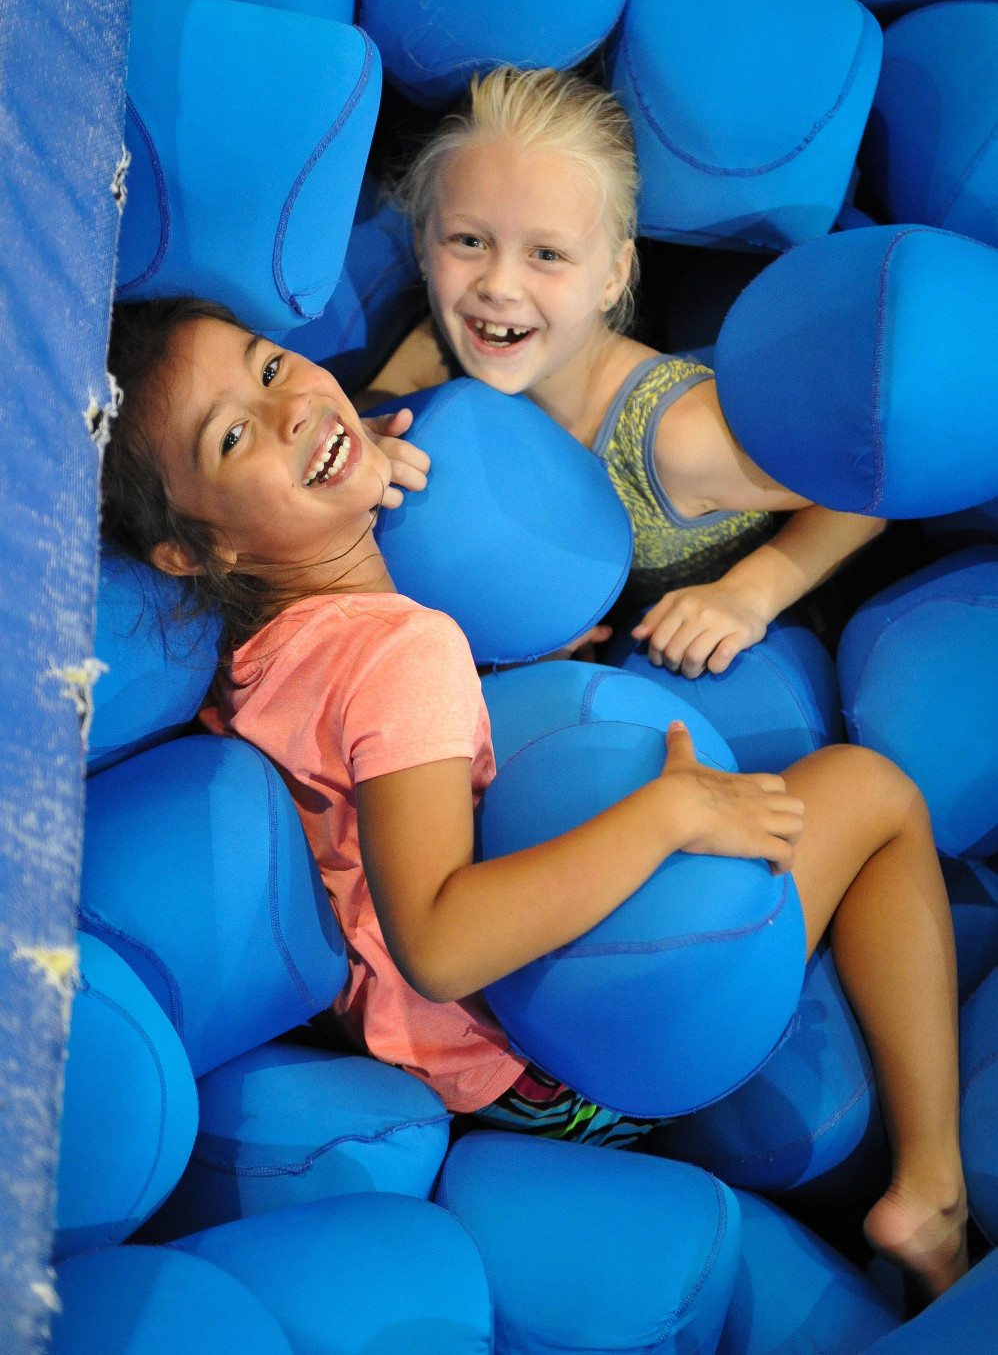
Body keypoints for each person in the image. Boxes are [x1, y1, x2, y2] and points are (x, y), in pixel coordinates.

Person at [101, 296, 966, 1300]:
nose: (289, 408)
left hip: (438, 1064)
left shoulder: (249, 659)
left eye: (269, 367)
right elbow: (438, 943)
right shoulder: (400, 655)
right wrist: (668, 816)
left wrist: (351, 461)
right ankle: (931, 1190)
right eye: (233, 436)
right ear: (195, 551)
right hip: (551, 1074)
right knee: (875, 792)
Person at [374, 65, 886, 676]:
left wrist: (747, 594)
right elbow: (366, 410)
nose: (499, 286)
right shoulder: (438, 351)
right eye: (468, 241)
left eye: (547, 254)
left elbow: (865, 493)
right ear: (422, 244)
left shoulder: (678, 435)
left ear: (613, 276)